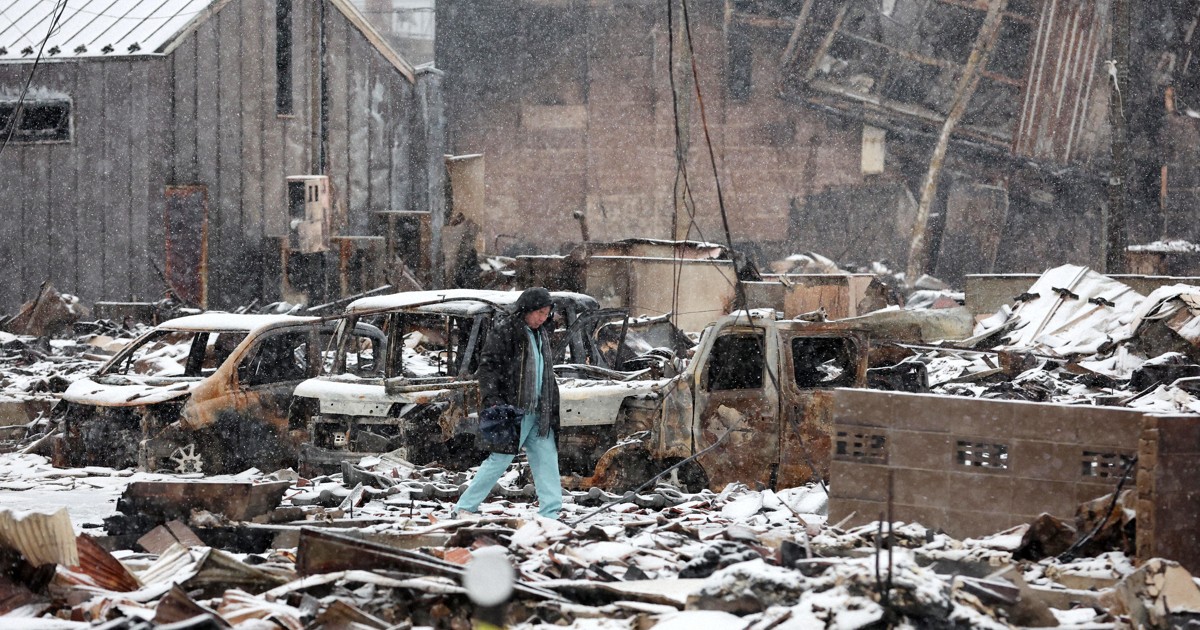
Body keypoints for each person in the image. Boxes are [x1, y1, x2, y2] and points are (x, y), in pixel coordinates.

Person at [453, 287, 562, 519]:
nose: (542, 318)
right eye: (539, 312)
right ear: (527, 309)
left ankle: (550, 515)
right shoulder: (506, 332)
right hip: (513, 410)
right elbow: (488, 367)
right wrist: (493, 399)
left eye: (546, 313)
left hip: (540, 412)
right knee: (499, 460)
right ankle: (464, 507)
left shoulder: (540, 334)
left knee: (547, 461)